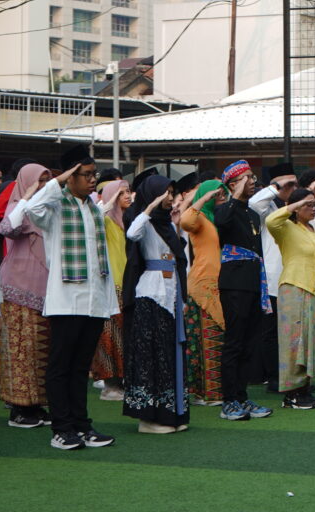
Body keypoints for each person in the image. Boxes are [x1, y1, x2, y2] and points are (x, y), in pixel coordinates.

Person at [10, 147, 117, 450]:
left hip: (94, 300)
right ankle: (61, 428)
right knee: (61, 366)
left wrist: (108, 303)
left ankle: (82, 426)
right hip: (66, 300)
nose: (92, 180)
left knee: (80, 366)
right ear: (70, 177)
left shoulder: (93, 208)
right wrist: (60, 181)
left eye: (94, 174)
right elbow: (30, 209)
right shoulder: (55, 206)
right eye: (86, 174)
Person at [121, 175, 189, 433]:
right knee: (151, 356)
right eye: (165, 193)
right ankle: (147, 419)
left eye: (172, 193)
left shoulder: (168, 225)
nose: (170, 198)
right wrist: (149, 207)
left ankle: (169, 414)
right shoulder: (147, 222)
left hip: (171, 294)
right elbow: (132, 233)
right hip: (150, 295)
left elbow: (178, 258)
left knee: (168, 356)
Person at [213, 160, 271, 421]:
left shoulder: (252, 214)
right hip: (234, 283)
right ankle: (229, 401)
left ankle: (243, 397)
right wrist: (234, 193)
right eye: (245, 178)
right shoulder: (226, 208)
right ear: (232, 184)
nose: (251, 182)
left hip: (253, 282)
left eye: (252, 177)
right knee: (234, 342)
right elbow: (222, 223)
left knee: (250, 342)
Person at [264, 187, 315, 410]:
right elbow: (271, 221)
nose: (313, 209)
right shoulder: (286, 228)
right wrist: (293, 206)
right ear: (296, 207)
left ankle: (304, 389)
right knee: (295, 340)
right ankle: (291, 394)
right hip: (295, 288)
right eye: (308, 205)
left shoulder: (313, 230)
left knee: (313, 340)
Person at [0, 164, 53, 428]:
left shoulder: (48, 210)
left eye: (46, 181)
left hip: (46, 291)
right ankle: (19, 410)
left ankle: (36, 406)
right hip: (18, 290)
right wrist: (28, 195)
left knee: (41, 349)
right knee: (21, 351)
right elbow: (7, 228)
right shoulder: (18, 206)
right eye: (37, 181)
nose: (42, 186)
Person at [248, 164, 298, 398]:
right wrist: (276, 188)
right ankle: (274, 377)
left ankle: (294, 376)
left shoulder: (298, 207)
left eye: (294, 183)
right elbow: (253, 203)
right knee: (272, 332)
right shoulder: (269, 207)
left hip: (296, 276)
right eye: (288, 184)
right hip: (274, 276)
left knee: (294, 331)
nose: (292, 188)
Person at [179, 178, 226, 406]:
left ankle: (213, 390)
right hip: (203, 284)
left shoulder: (218, 219)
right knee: (207, 338)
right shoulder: (200, 219)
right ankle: (209, 393)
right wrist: (202, 198)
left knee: (218, 339)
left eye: (223, 193)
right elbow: (185, 220)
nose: (221, 196)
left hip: (221, 282)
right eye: (217, 193)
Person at [90, 178, 129, 401]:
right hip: (110, 285)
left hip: (127, 284)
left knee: (124, 338)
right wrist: (108, 199)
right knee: (110, 336)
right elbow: (97, 214)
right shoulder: (103, 220)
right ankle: (110, 385)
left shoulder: (128, 221)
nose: (127, 196)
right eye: (121, 193)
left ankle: (122, 382)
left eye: (128, 191)